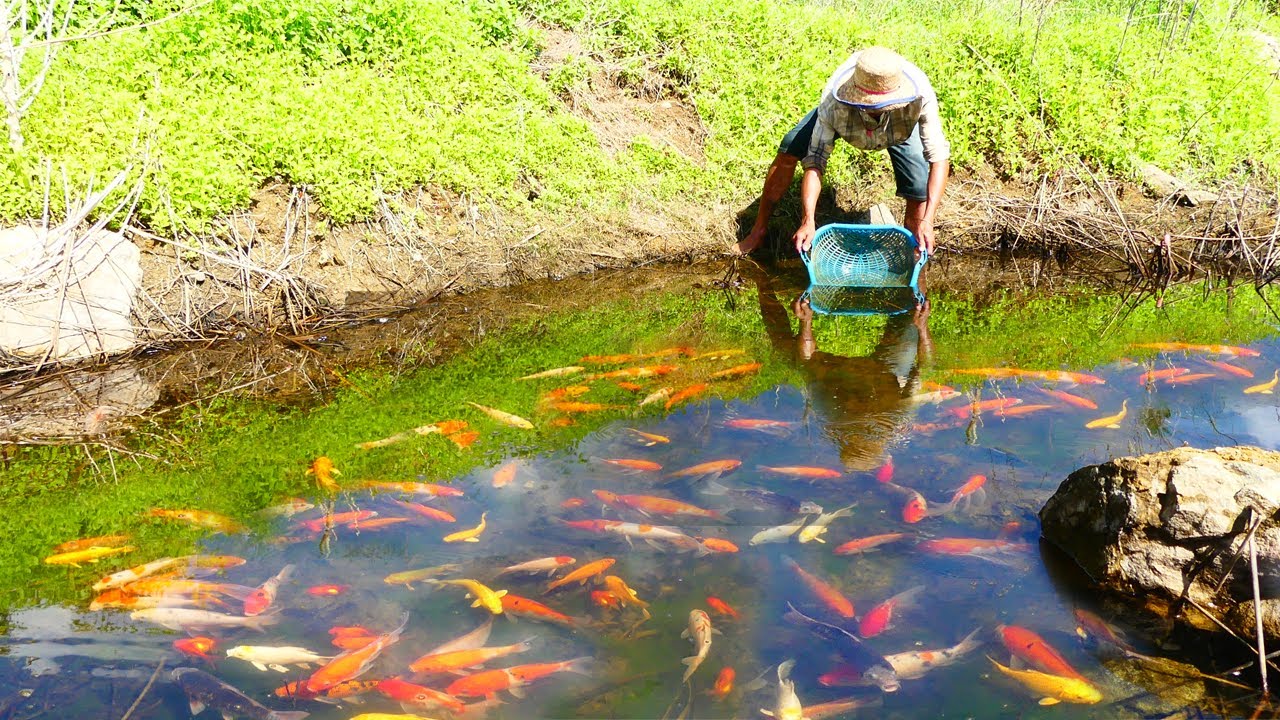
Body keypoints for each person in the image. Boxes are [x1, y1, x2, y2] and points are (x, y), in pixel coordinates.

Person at [736, 46, 951, 257]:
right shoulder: (833, 102)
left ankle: (914, 248)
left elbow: (939, 158)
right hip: (847, 120)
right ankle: (758, 231)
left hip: (899, 130)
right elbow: (815, 161)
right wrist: (807, 219)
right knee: (791, 146)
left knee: (918, 183)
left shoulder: (920, 94)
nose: (879, 109)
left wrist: (928, 221)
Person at [752, 268, 933, 472]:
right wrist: (922, 328)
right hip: (883, 369)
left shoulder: (828, 410)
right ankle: (918, 260)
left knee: (785, 352)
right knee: (915, 314)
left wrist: (806, 322)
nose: (865, 424)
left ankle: (762, 279)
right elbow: (925, 368)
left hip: (840, 370)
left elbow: (806, 361)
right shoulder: (896, 418)